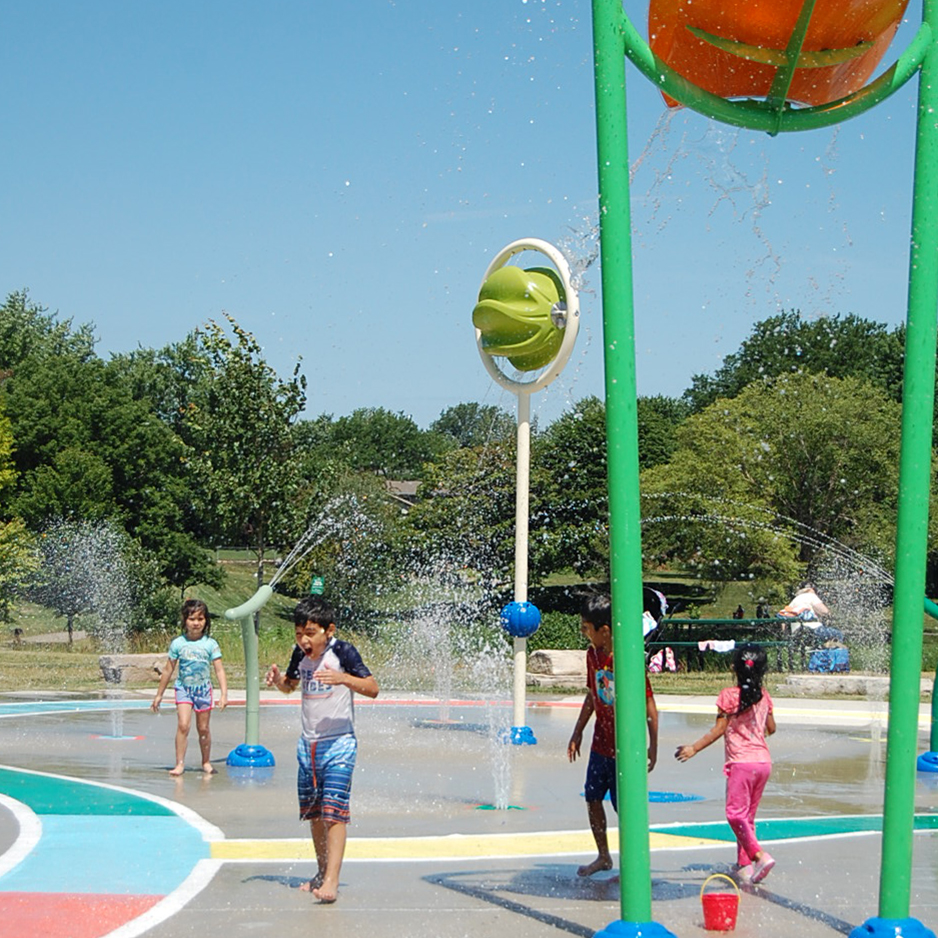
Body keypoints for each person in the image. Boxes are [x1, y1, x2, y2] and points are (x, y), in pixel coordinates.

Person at [266, 594, 379, 904]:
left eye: (310, 633)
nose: (304, 639)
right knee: (315, 814)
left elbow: (373, 688)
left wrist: (343, 678)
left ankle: (332, 880)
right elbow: (290, 685)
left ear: (328, 630)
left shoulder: (342, 652)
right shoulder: (299, 654)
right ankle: (320, 871)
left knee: (335, 813)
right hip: (308, 746)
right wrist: (278, 681)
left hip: (340, 743)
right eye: (298, 632)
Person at [567, 593, 659, 878]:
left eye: (586, 628)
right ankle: (604, 856)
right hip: (600, 744)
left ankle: (635, 864)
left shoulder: (625, 659)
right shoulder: (592, 656)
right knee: (593, 797)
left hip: (625, 748)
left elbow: (649, 706)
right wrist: (578, 730)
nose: (583, 633)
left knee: (627, 808)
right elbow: (593, 696)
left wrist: (652, 746)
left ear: (604, 630)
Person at [675, 643, 777, 884]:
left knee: (734, 815)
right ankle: (744, 866)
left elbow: (719, 729)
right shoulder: (764, 696)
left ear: (734, 667)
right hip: (763, 762)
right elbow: (771, 728)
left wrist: (694, 748)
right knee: (747, 818)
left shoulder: (728, 696)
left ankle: (759, 856)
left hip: (741, 763)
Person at [151, 598, 228, 776]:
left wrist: (223, 694)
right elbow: (168, 669)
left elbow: (219, 670)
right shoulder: (178, 643)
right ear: (185, 620)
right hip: (184, 689)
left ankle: (206, 761)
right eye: (192, 619)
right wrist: (159, 694)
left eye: (200, 619)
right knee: (183, 725)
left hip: (203, 690)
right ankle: (179, 764)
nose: (196, 623)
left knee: (203, 728)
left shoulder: (210, 644)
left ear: (206, 621)